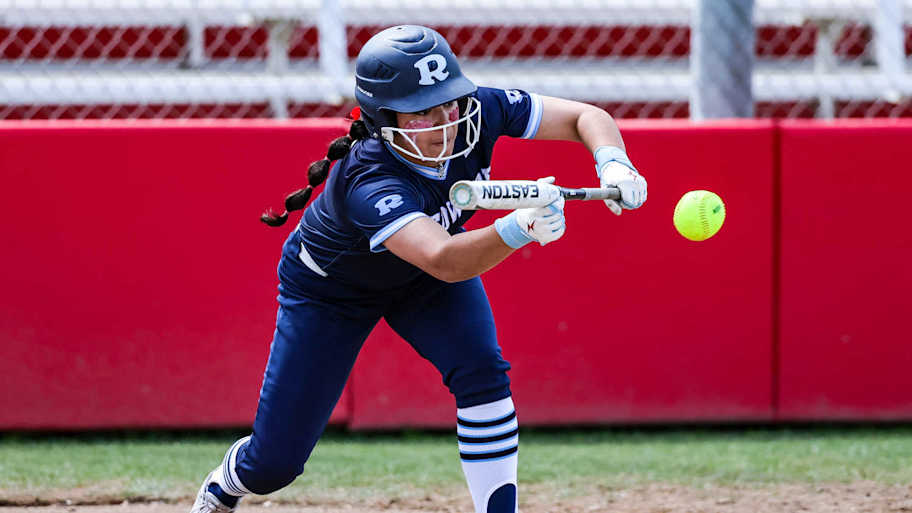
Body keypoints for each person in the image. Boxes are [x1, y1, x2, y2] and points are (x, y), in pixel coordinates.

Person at [190, 24, 647, 513]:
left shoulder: (477, 110)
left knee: (484, 374)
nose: (445, 121)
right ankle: (224, 486)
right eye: (422, 111)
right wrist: (518, 230)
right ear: (383, 118)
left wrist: (613, 162)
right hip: (332, 292)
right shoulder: (368, 175)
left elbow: (585, 116)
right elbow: (443, 260)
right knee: (273, 465)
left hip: (419, 279)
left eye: (448, 102)